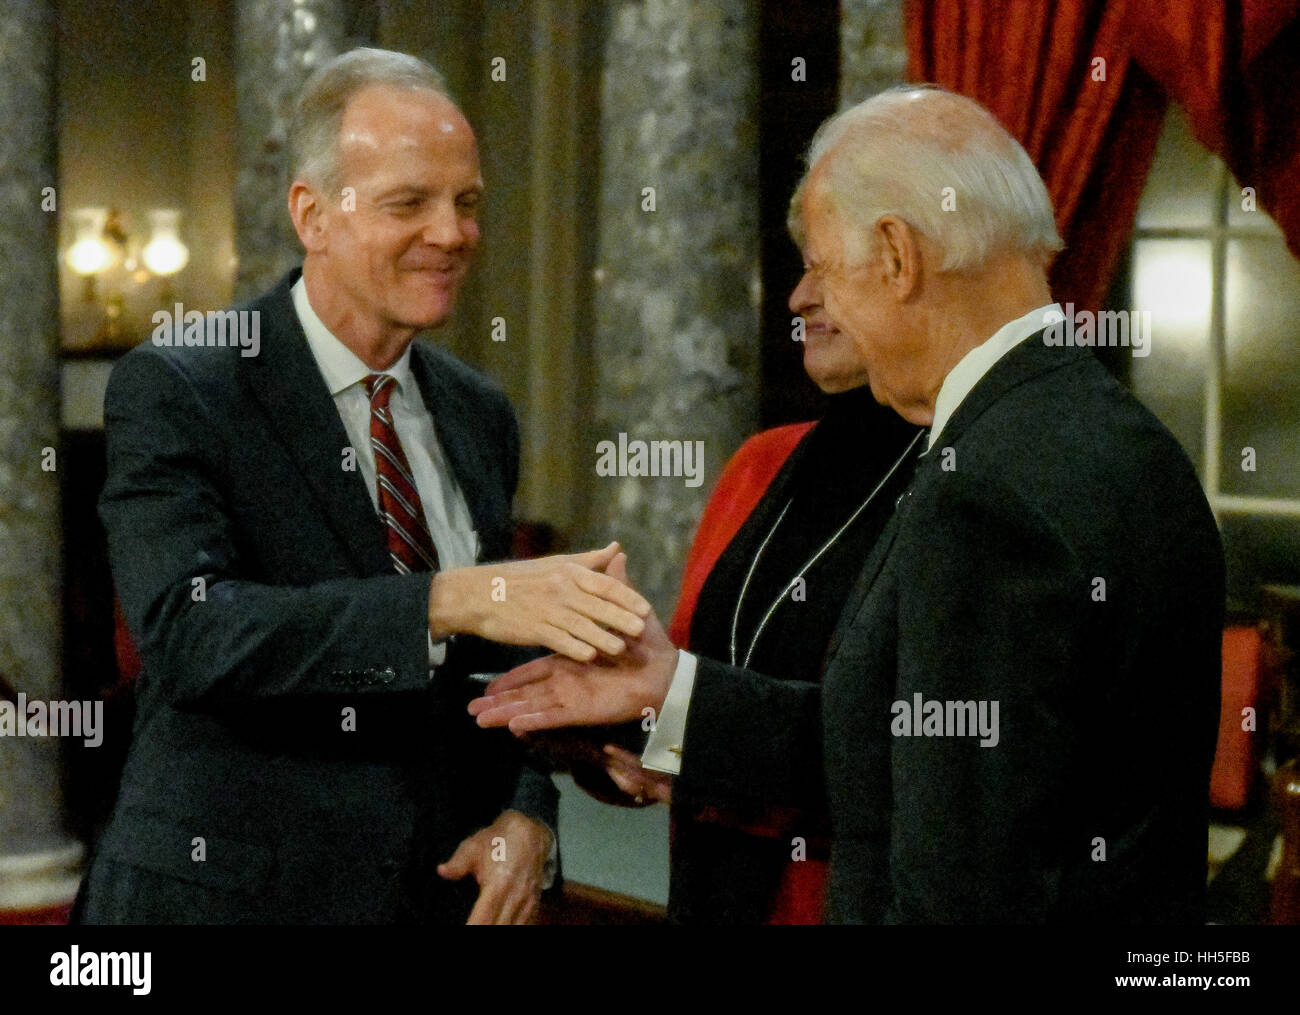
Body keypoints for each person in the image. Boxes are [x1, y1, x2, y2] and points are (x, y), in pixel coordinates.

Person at [472, 85, 1226, 923]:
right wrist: (673, 692)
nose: (811, 300)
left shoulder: (987, 485)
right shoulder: (1127, 441)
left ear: (898, 258)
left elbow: (956, 888)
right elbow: (913, 754)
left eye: (826, 268)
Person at [75, 47, 650, 925]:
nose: (451, 233)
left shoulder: (477, 410)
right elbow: (192, 636)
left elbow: (497, 681)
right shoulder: (185, 385)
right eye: (409, 203)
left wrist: (529, 814)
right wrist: (447, 600)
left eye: (466, 203)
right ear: (314, 214)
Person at [567, 344, 921, 924]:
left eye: (828, 266)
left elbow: (917, 760)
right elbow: (685, 679)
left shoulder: (963, 472)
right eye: (803, 267)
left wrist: (696, 741)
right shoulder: (763, 461)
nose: (801, 298)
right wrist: (619, 729)